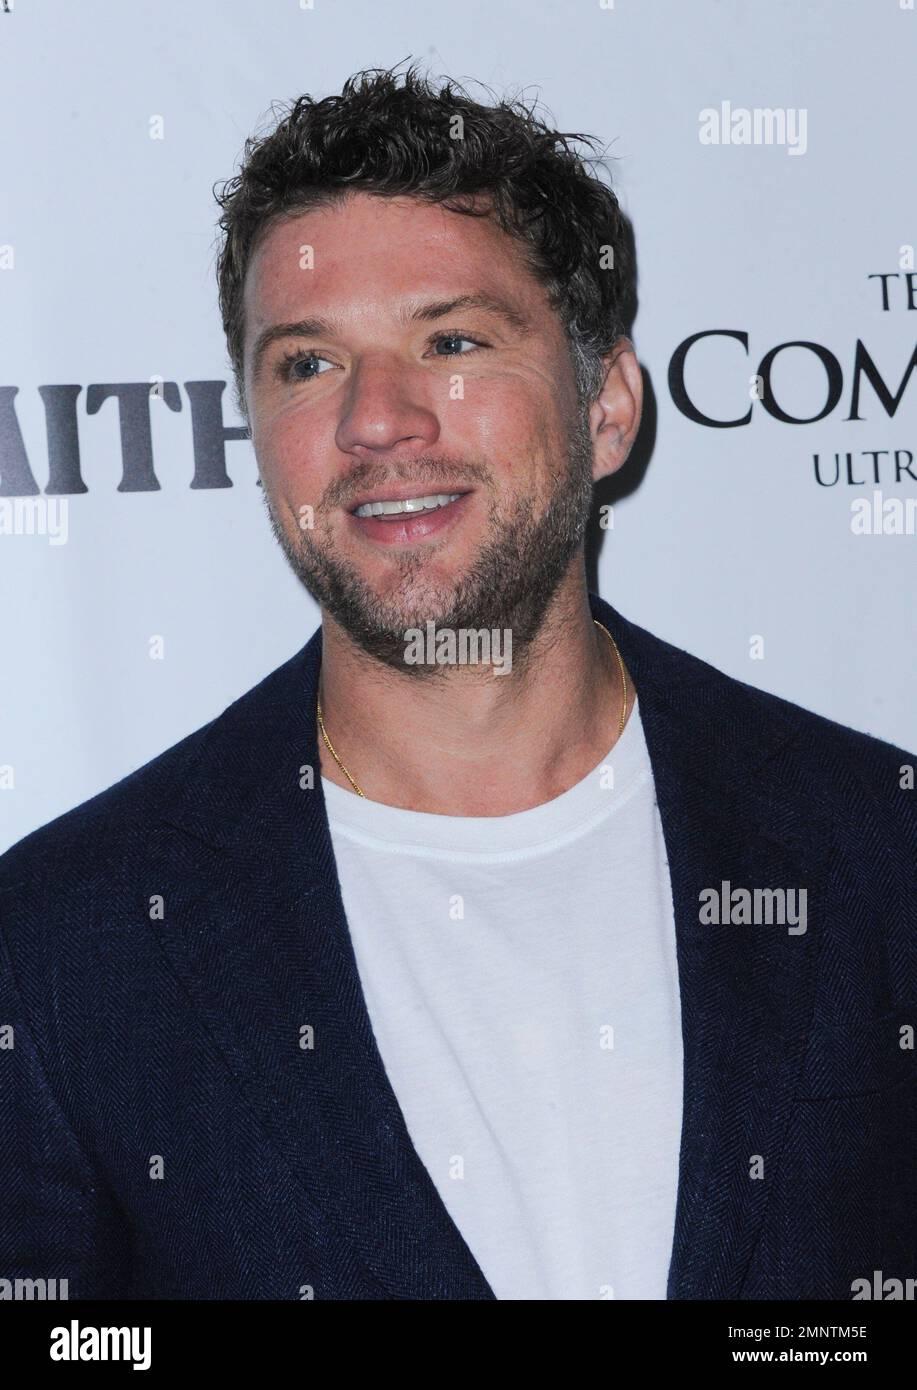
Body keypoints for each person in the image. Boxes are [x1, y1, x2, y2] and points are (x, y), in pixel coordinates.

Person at [1, 66, 914, 1302]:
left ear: (605, 408)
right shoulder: (68, 943)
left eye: (451, 341)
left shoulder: (875, 844)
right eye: (306, 363)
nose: (377, 420)